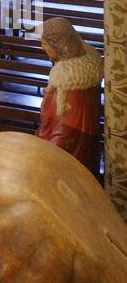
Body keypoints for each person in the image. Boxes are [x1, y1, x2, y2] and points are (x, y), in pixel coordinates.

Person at [36, 16, 103, 173]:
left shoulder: (72, 83)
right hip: (63, 140)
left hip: (70, 157)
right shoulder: (75, 74)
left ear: (59, 46)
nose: (42, 47)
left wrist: (44, 152)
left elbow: (66, 132)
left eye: (45, 43)